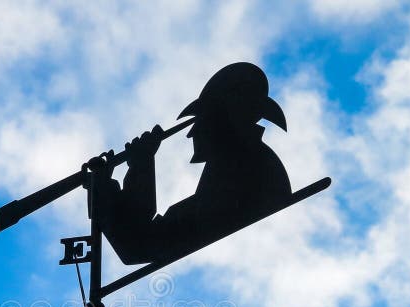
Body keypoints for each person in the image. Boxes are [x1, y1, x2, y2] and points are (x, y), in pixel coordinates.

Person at [97, 62, 293, 265]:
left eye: (199, 121)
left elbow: (142, 245)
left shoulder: (242, 163)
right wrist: (140, 166)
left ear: (221, 122)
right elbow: (145, 240)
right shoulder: (241, 159)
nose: (191, 132)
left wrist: (112, 183)